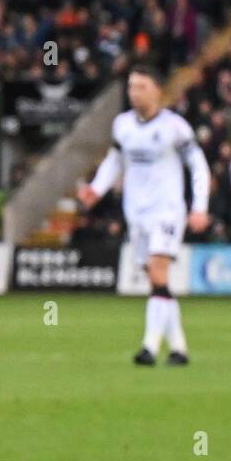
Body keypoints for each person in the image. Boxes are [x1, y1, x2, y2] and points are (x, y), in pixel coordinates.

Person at [78, 67, 210, 365]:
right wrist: (96, 189)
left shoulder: (175, 127)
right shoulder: (122, 125)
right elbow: (115, 160)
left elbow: (198, 165)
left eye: (140, 86)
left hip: (167, 210)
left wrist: (199, 206)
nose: (133, 92)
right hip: (136, 213)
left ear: (157, 91)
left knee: (158, 271)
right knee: (156, 280)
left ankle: (149, 347)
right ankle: (179, 349)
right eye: (131, 86)